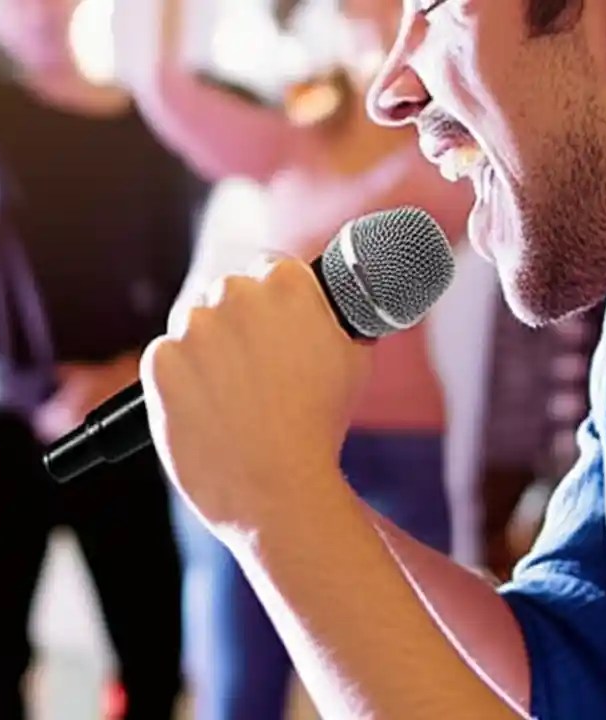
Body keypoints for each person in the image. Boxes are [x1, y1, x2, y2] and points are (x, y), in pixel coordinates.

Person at [137, 0, 606, 718]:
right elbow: (570, 659)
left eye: (433, 6)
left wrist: (283, 510)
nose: (392, 91)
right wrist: (274, 466)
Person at [109, 0, 472, 714]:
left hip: (398, 450)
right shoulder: (291, 143)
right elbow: (165, 89)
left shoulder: (448, 147)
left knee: (415, 679)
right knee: (242, 687)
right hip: (272, 433)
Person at [0, 1, 198, 716]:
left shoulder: (145, 131)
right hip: (8, 425)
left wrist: (118, 377)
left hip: (116, 424)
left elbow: (182, 284)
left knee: (151, 654)